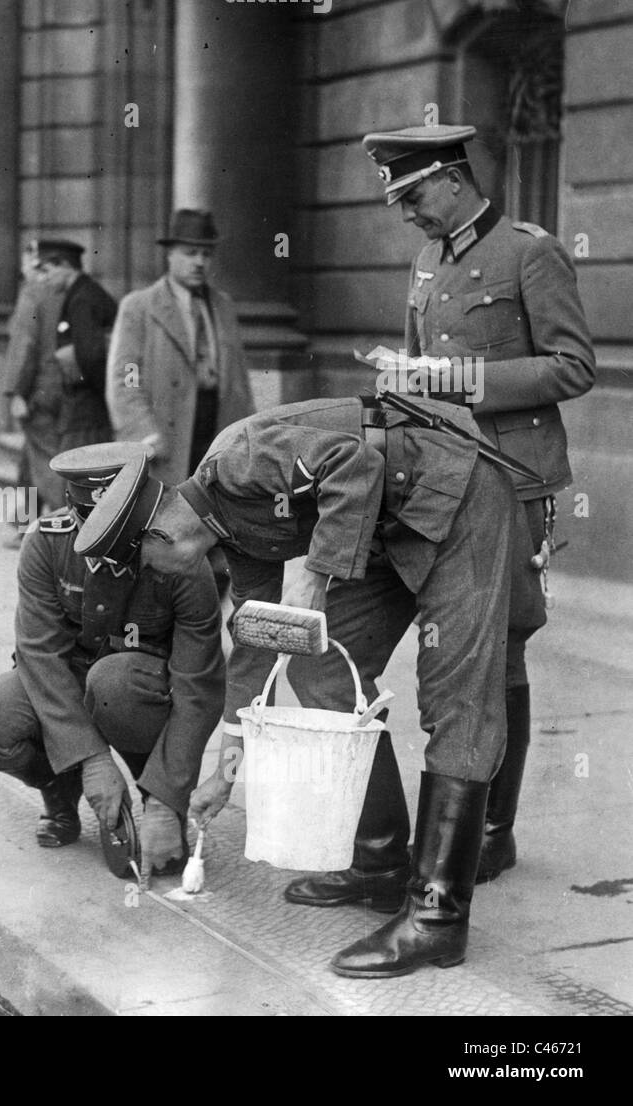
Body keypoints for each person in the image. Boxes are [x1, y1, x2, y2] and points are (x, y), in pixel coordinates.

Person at [75, 394, 521, 977]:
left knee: (456, 698)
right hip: (386, 524)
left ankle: (436, 919)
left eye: (154, 570)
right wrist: (226, 767)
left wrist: (313, 575)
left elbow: (354, 466)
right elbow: (259, 636)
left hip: (455, 495)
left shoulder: (238, 461)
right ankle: (381, 861)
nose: (162, 583)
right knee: (319, 667)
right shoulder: (223, 527)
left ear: (161, 539)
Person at [340, 124, 595, 892]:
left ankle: (493, 830)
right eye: (399, 201)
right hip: (440, 481)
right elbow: (422, 359)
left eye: (414, 196)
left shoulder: (528, 252)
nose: (408, 214)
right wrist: (406, 377)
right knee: (451, 647)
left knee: (502, 647)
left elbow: (574, 366)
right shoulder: (427, 259)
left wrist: (458, 380)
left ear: (452, 180)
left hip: (513, 481)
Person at [0, 442, 225, 878]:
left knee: (113, 683)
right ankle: (61, 782)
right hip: (69, 679)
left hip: (138, 689)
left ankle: (152, 798)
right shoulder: (46, 541)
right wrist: (91, 759)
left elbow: (198, 684)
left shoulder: (184, 560)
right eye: (88, 528)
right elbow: (40, 654)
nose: (97, 544)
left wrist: (168, 800)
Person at [106, 209, 255, 486]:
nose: (199, 262)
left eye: (206, 255)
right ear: (170, 254)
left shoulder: (223, 306)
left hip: (216, 428)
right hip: (165, 433)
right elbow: (125, 379)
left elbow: (239, 379)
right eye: (190, 253)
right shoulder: (139, 306)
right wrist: (144, 433)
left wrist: (247, 435)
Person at [32, 239, 117, 452]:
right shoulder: (83, 293)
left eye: (47, 270)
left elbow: (90, 356)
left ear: (66, 266)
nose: (44, 279)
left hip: (89, 409)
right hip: (88, 406)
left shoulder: (82, 299)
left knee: (80, 470)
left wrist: (108, 396)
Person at [3, 239, 64, 522]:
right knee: (32, 454)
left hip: (38, 391)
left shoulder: (33, 294)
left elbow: (23, 347)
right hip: (61, 388)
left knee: (45, 460)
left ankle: (64, 527)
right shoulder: (61, 291)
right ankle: (25, 520)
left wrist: (15, 391)